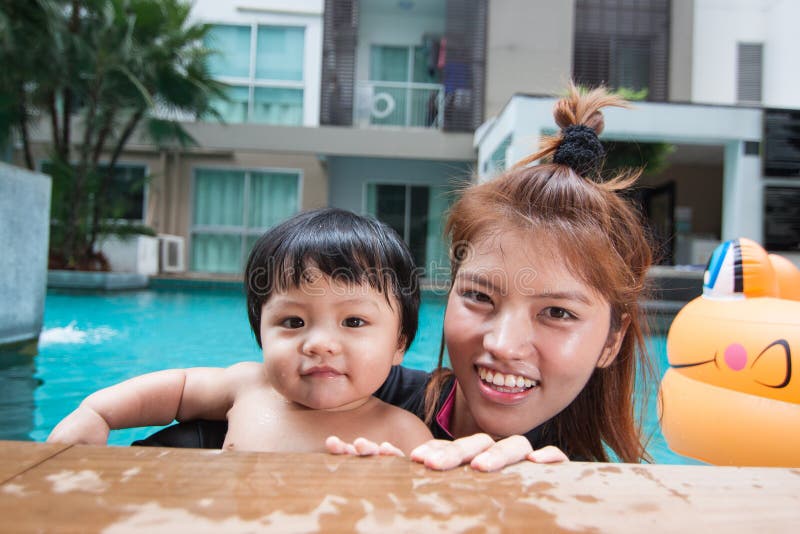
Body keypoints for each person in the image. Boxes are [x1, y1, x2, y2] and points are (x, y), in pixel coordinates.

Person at [137, 84, 656, 471]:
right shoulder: (345, 388)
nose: (502, 343)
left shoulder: (585, 485)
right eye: (478, 296)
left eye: (558, 312)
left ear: (612, 340)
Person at [47, 208, 433, 454]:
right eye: (293, 322)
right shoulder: (250, 385)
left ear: (399, 343)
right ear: (261, 331)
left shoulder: (402, 432)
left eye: (353, 322)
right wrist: (98, 413)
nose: (319, 344)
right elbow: (177, 389)